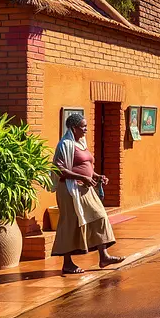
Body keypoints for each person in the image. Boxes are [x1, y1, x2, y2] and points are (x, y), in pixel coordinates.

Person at [51, 113, 124, 274]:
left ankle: (104, 256)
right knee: (70, 223)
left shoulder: (81, 143)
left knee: (100, 216)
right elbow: (59, 169)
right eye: (83, 126)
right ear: (73, 128)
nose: (86, 129)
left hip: (86, 189)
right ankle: (67, 263)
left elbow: (87, 165)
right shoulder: (65, 145)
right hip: (70, 190)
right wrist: (82, 177)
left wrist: (96, 176)